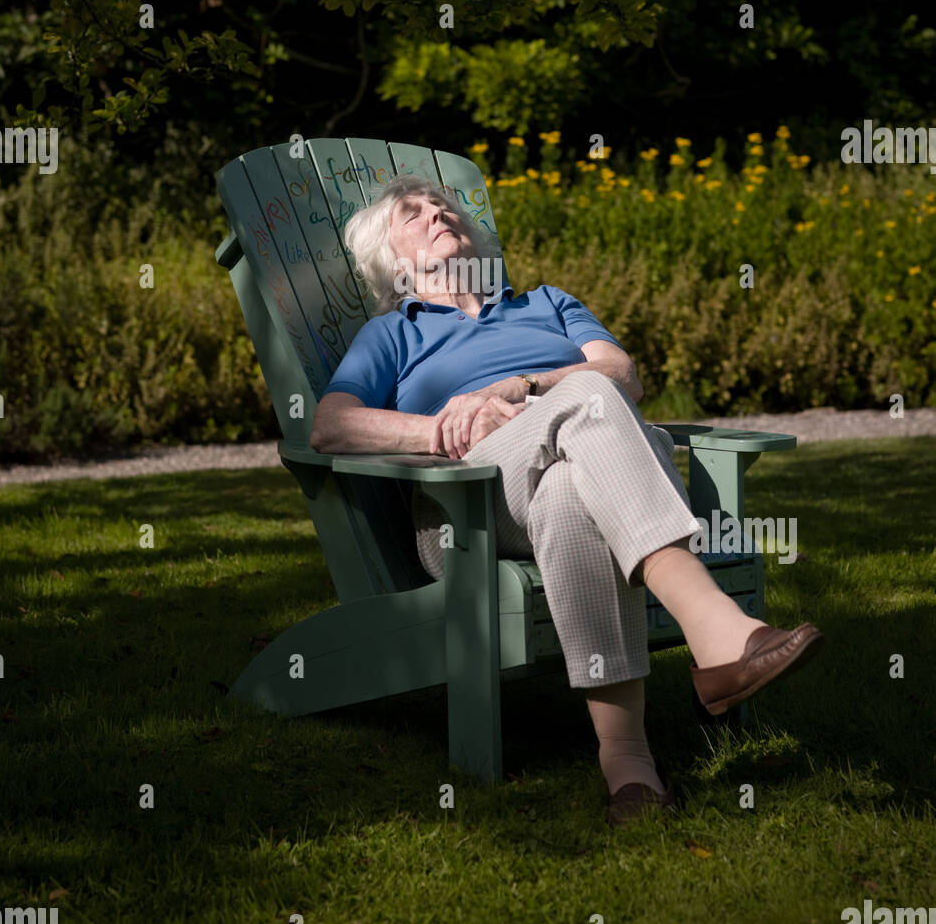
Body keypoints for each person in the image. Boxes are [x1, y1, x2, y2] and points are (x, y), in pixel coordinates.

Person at [309, 173, 824, 825]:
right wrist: (436, 427)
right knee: (585, 398)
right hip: (468, 508)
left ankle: (628, 768)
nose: (437, 211)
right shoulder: (392, 333)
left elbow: (620, 373)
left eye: (443, 204)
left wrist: (521, 387)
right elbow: (330, 424)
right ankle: (718, 634)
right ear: (393, 263)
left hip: (579, 469)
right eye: (412, 213)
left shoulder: (546, 301)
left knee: (569, 480)